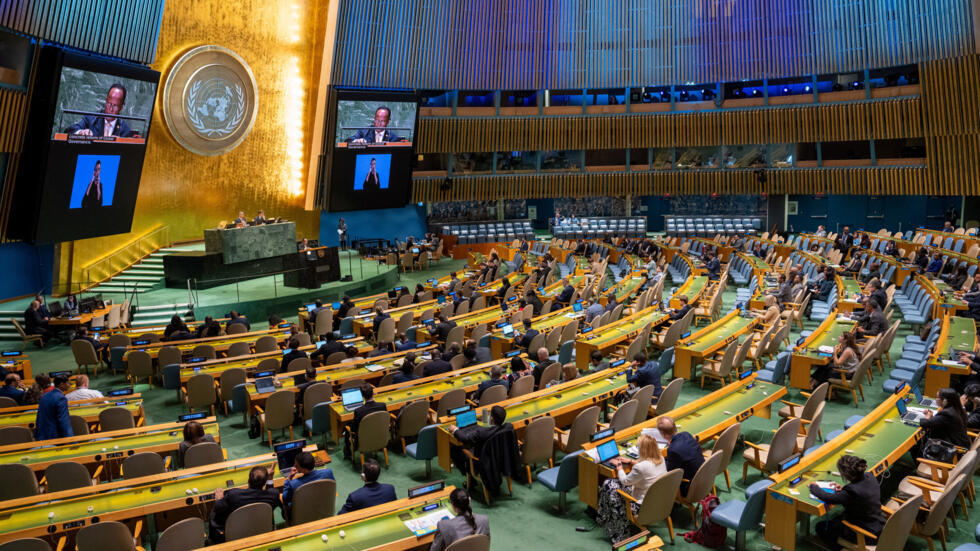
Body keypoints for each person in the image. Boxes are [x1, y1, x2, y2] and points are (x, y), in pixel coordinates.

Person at [596, 434, 667, 542]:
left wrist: (619, 466)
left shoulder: (640, 467)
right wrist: (630, 461)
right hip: (659, 500)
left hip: (641, 505)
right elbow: (647, 465)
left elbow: (625, 481)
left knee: (608, 484)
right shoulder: (661, 458)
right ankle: (604, 515)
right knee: (610, 484)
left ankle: (618, 531)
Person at [809, 455, 884, 547]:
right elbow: (857, 498)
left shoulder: (852, 491)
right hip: (877, 525)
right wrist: (843, 491)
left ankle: (840, 548)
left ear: (846, 474)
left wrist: (813, 487)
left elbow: (827, 497)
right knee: (837, 519)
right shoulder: (870, 476)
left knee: (821, 526)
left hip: (866, 534)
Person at [209, 466, 280, 542]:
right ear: (265, 482)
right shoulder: (273, 495)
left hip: (236, 535)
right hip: (261, 531)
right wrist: (270, 479)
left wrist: (219, 499)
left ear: (249, 479)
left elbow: (218, 508)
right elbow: (271, 494)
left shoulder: (234, 495)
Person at [447, 405, 511, 476]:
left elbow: (465, 438)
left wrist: (455, 430)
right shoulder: (506, 429)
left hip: (483, 460)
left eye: (490, 415)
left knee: (454, 450)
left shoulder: (483, 432)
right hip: (499, 458)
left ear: (491, 418)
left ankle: (469, 475)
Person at [66, 83, 137, 138]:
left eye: (115, 106)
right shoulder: (91, 118)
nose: (111, 109)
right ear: (106, 101)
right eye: (109, 104)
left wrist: (120, 143)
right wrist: (80, 132)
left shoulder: (125, 129)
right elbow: (69, 131)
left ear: (121, 107)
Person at [281, 451, 335, 519]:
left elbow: (285, 499)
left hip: (303, 516)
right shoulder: (328, 472)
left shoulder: (294, 484)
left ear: (303, 470)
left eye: (296, 465)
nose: (294, 466)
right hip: (325, 510)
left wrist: (288, 479)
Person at [658, 416, 703, 493]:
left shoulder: (672, 449)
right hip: (704, 477)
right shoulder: (686, 434)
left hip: (689, 486)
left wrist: (660, 459)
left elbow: (670, 472)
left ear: (663, 434)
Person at [345, 384, 387, 457]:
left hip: (364, 440)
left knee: (347, 427)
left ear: (362, 395)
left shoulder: (359, 411)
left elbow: (353, 430)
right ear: (373, 393)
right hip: (380, 436)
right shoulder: (382, 406)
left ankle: (349, 453)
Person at [35, 375, 72, 440]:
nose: (70, 385)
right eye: (69, 383)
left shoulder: (45, 395)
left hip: (41, 433)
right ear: (62, 384)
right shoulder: (61, 398)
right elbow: (63, 421)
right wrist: (71, 439)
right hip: (54, 435)